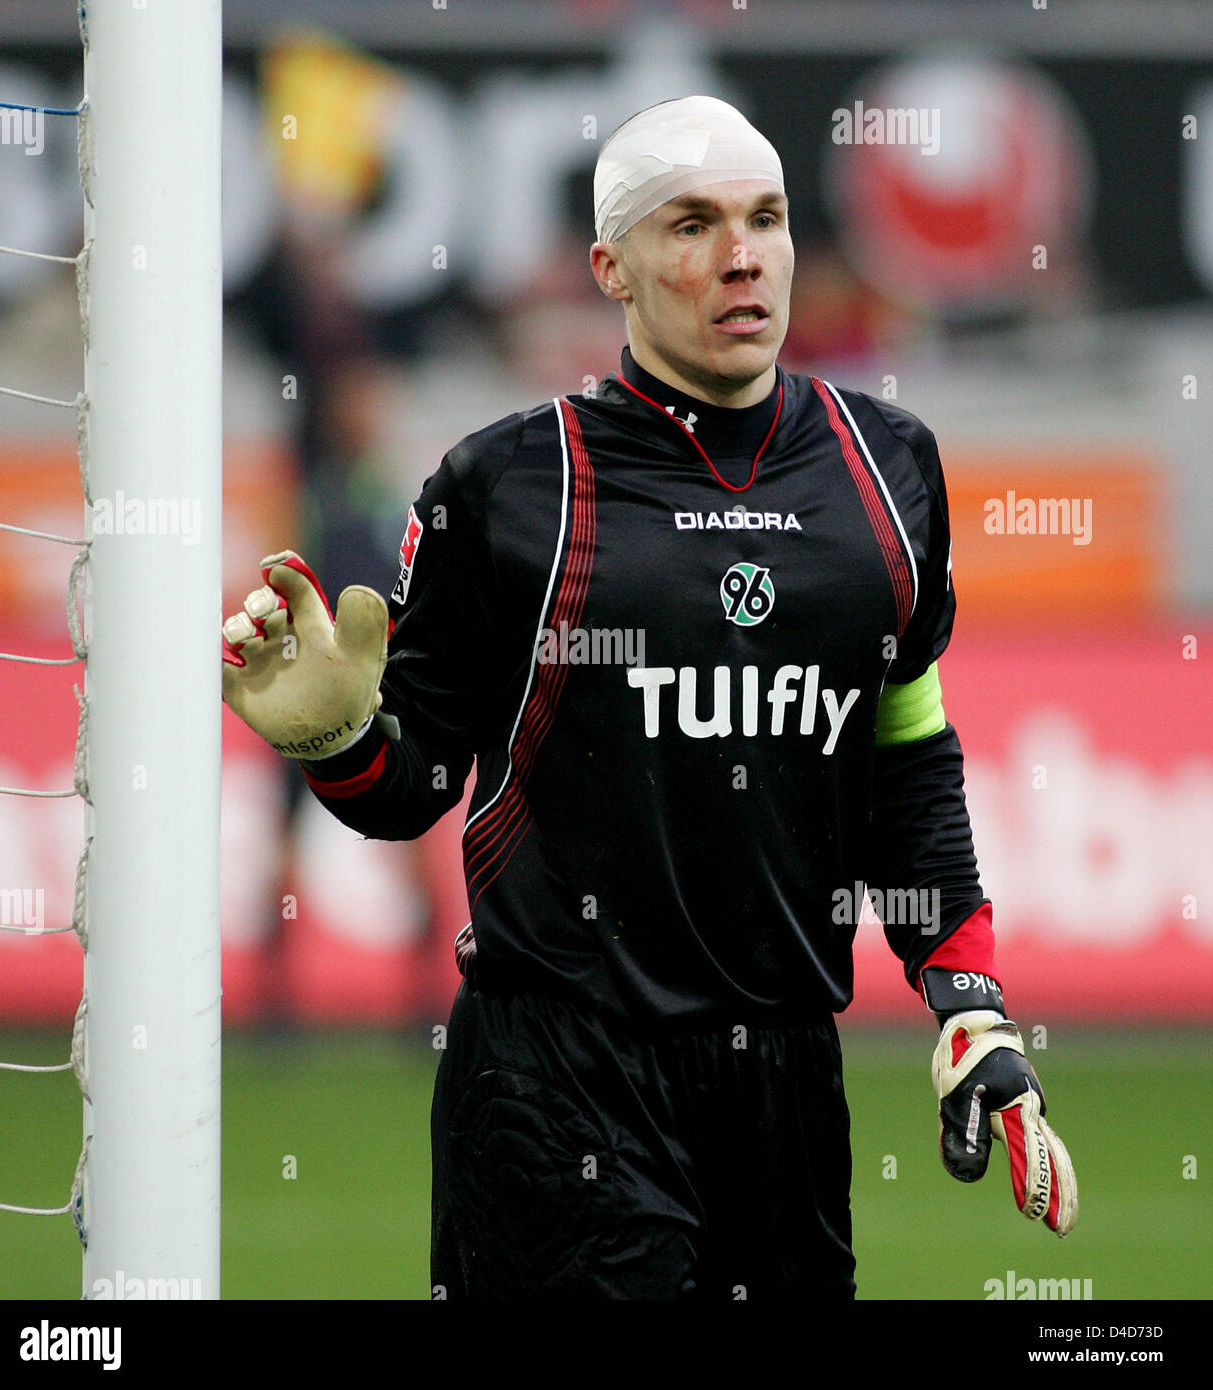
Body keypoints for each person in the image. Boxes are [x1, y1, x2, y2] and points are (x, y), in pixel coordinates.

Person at [222, 95, 1077, 1300]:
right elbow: (408, 789)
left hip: (784, 1082)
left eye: (765, 219)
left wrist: (968, 1003)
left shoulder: (889, 471)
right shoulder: (509, 486)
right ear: (609, 268)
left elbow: (907, 753)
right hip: (555, 1073)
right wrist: (335, 734)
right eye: (693, 224)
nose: (741, 256)